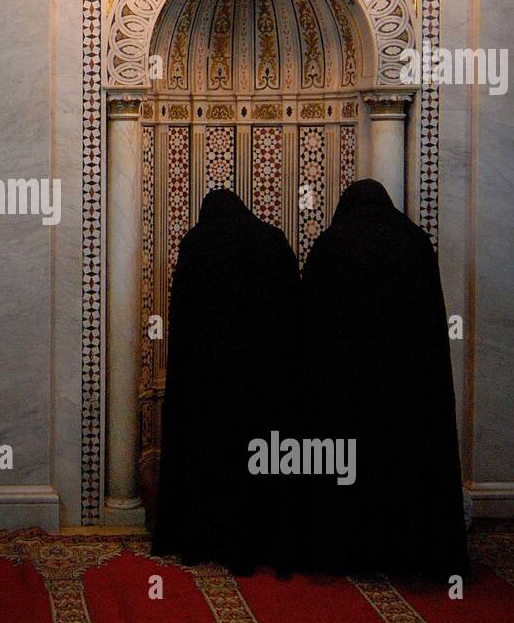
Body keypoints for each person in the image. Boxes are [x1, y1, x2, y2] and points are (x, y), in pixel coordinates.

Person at [298, 179, 469, 581]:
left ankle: (349, 551)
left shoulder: (330, 247)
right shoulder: (414, 243)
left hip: (344, 395)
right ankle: (406, 551)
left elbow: (309, 331)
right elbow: (428, 328)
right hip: (406, 395)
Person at [152, 187, 300, 574]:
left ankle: (204, 539)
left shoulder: (196, 244)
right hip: (263, 387)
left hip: (207, 388)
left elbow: (183, 322)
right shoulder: (272, 242)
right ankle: (261, 543)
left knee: (213, 459)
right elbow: (293, 316)